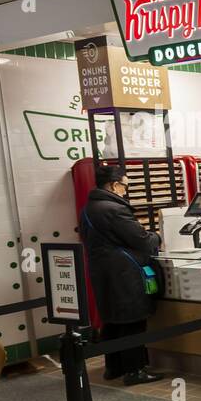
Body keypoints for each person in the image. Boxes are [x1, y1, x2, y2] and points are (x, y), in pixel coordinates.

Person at [81, 165, 164, 385]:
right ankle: (134, 370)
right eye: (125, 186)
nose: (125, 191)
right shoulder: (113, 209)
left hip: (103, 272)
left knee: (113, 321)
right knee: (132, 320)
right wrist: (156, 236)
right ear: (113, 184)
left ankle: (113, 367)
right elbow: (141, 240)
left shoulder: (89, 207)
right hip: (124, 273)